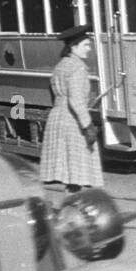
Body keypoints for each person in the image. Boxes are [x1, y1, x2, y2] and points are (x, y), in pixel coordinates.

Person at [40, 24, 103, 192]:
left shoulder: (61, 66)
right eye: (86, 45)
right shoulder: (77, 68)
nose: (89, 49)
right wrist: (87, 125)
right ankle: (74, 209)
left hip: (57, 117)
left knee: (70, 173)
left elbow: (54, 94)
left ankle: (70, 205)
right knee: (77, 173)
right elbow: (75, 101)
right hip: (72, 121)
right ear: (73, 47)